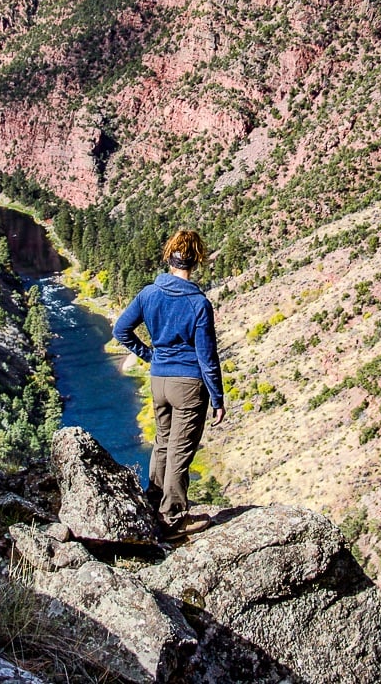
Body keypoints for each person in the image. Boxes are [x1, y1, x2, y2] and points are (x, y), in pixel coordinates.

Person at [113, 229, 225, 536]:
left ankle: (153, 502)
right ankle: (173, 519)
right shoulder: (198, 303)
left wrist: (149, 356)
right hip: (188, 385)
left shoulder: (149, 293)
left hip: (159, 380)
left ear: (169, 257)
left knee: (162, 442)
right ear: (196, 260)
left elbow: (121, 330)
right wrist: (217, 398)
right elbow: (206, 356)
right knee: (180, 451)